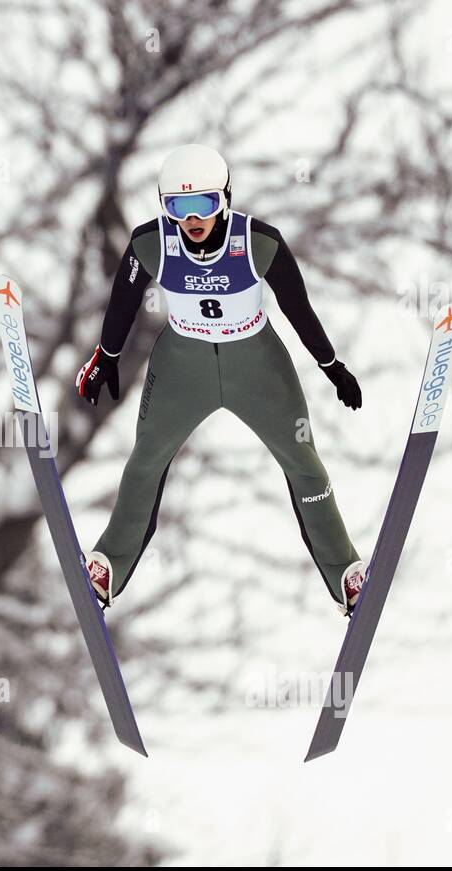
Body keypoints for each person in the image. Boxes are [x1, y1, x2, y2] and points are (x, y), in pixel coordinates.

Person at [75, 144, 366, 614]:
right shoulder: (151, 243)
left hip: (256, 365)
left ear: (225, 199)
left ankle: (346, 575)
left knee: (303, 461)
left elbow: (298, 308)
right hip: (181, 366)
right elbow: (123, 303)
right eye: (178, 207)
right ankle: (107, 565)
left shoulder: (258, 242)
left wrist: (331, 365)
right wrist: (106, 357)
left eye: (203, 205)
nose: (192, 219)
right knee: (146, 459)